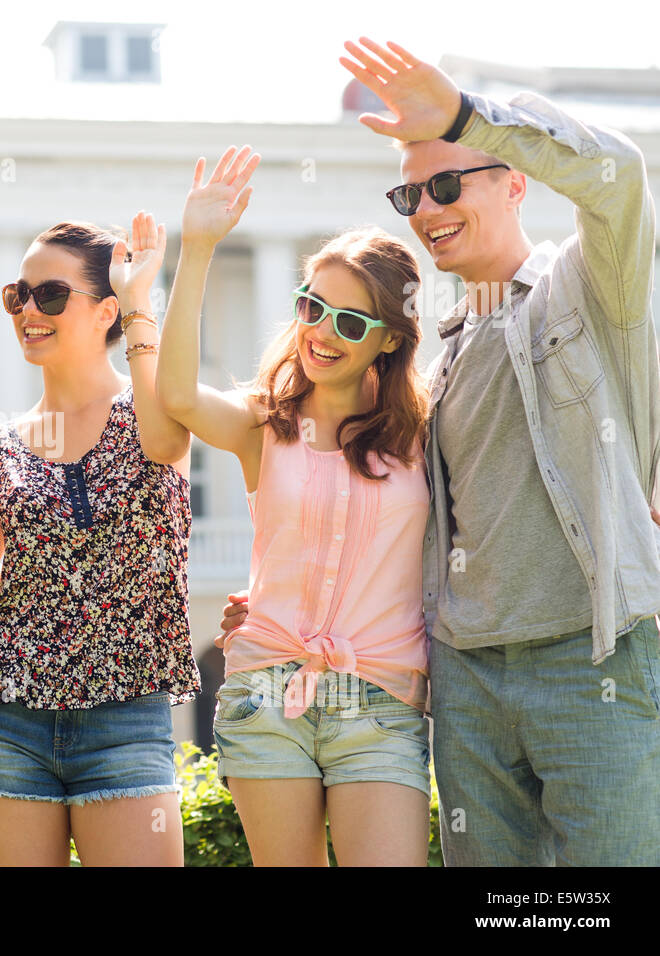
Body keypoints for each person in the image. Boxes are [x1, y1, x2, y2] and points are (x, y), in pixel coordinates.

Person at [228, 38, 660, 866]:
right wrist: (287, 605)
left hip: (590, 655)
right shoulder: (435, 369)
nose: (427, 208)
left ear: (516, 182)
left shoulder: (588, 293)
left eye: (449, 181)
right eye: (412, 193)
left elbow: (619, 177)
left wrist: (467, 115)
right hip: (466, 678)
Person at [119, 149, 434, 865]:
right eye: (311, 307)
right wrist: (197, 248)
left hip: (381, 701)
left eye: (350, 323)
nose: (322, 332)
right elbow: (176, 397)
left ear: (390, 339)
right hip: (265, 695)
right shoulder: (266, 424)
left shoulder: (426, 435)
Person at [0, 221, 200, 867]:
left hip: (125, 713)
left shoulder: (156, 414)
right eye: (17, 295)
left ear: (106, 310)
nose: (28, 311)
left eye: (51, 295)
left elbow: (167, 446)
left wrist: (142, 296)